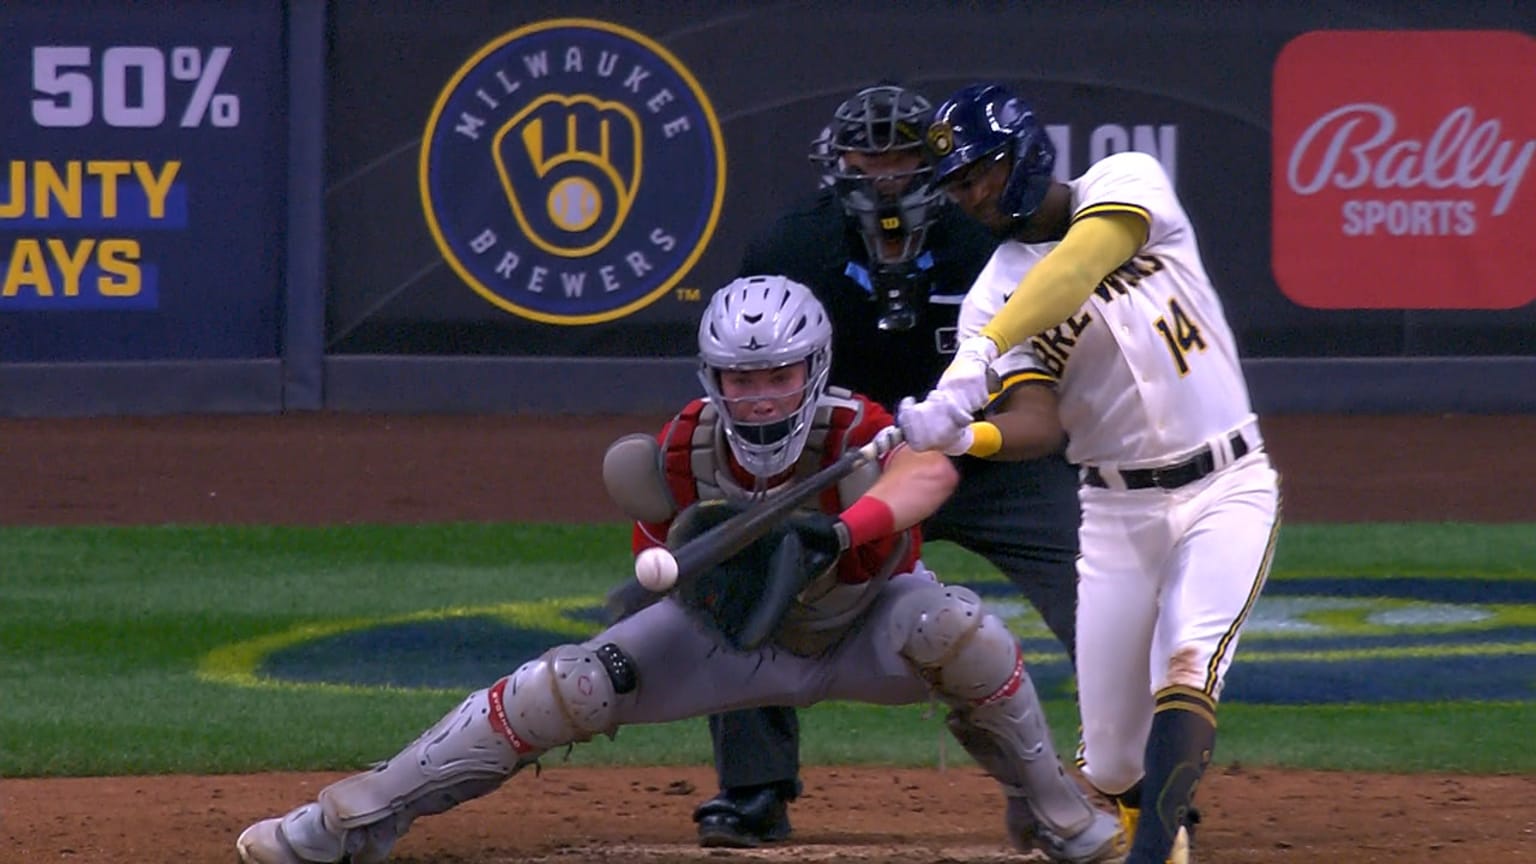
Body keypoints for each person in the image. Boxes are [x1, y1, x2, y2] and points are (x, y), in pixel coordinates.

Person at [235, 275, 1124, 864]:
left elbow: (929, 474)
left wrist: (841, 530)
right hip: (730, 643)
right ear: (714, 378)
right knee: (571, 686)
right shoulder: (682, 446)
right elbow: (669, 570)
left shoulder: (859, 426)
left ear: (812, 370)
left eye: (778, 374)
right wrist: (713, 584)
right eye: (742, 379)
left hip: (861, 628)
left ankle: (1046, 807)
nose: (761, 395)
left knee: (954, 626)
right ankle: (352, 820)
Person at [691, 82, 1085, 850]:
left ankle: (1130, 776)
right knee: (744, 561)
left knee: (1096, 573)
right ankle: (754, 792)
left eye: (903, 156)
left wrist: (973, 433)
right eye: (866, 157)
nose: (885, 175)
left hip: (986, 454)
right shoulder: (789, 248)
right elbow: (750, 377)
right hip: (843, 458)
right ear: (835, 163)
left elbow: (1052, 382)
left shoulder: (990, 242)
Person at [896, 82, 1283, 864]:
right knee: (1110, 760)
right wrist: (961, 431)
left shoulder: (1127, 182)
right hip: (1115, 514)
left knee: (1189, 660)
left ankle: (1156, 856)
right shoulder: (992, 292)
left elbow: (1075, 268)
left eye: (982, 170)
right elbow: (1039, 425)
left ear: (1027, 151)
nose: (972, 195)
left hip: (1227, 487)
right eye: (958, 184)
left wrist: (974, 360)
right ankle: (1145, 824)